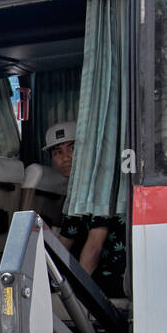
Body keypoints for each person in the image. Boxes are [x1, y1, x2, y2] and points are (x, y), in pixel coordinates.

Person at [46, 120, 127, 300]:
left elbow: (94, 247)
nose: (65, 158)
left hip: (116, 277)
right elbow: (63, 245)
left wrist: (75, 295)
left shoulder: (100, 184)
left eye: (72, 149)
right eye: (58, 152)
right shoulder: (77, 193)